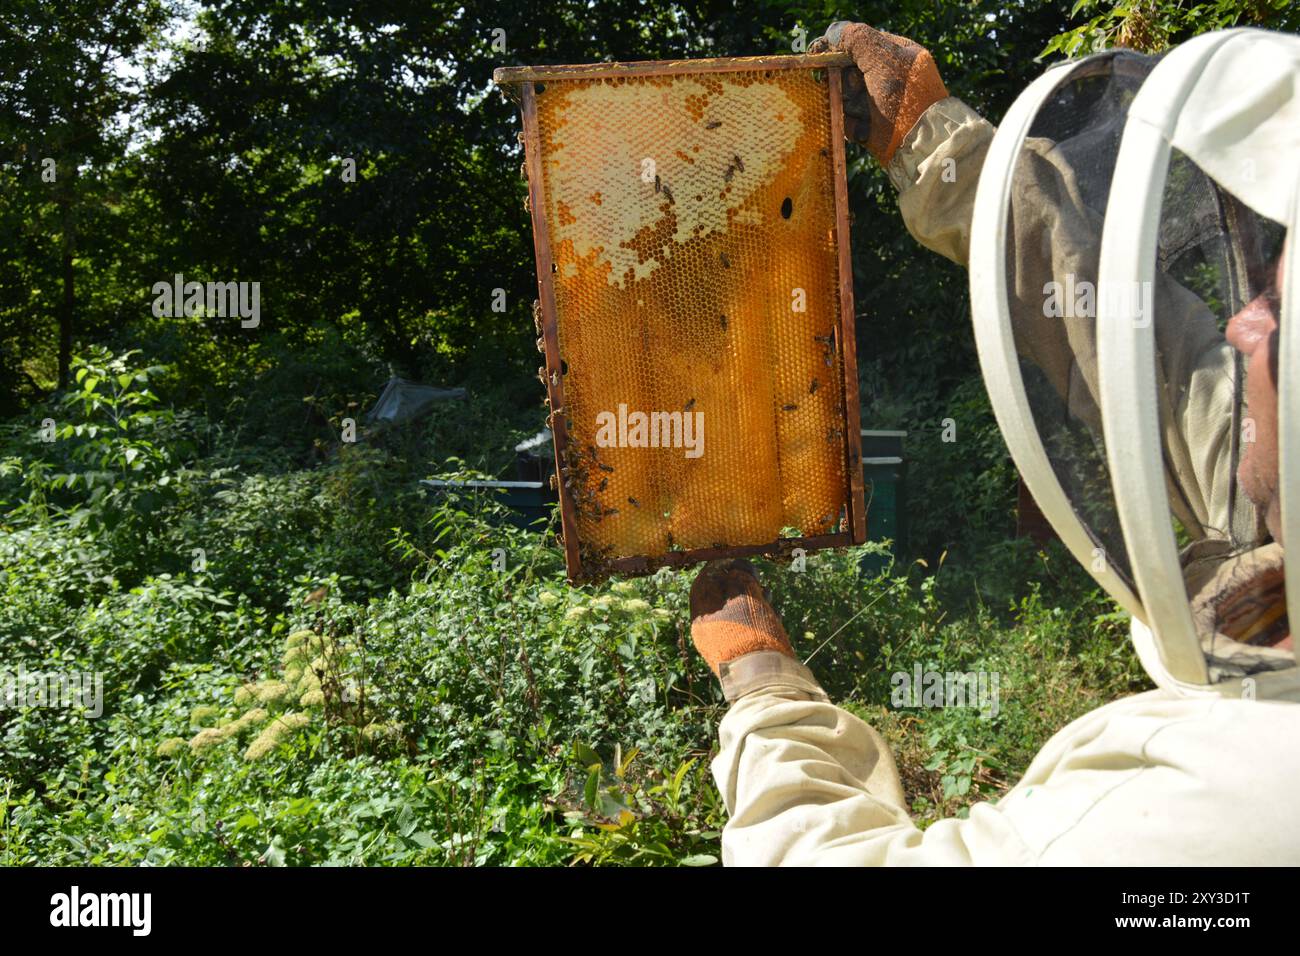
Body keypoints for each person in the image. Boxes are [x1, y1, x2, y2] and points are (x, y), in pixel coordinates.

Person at [688, 22, 1300, 865]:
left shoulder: (1232, 805)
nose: (1243, 322)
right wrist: (937, 150)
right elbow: (1150, 351)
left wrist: (765, 694)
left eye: (1280, 305)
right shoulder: (1280, 524)